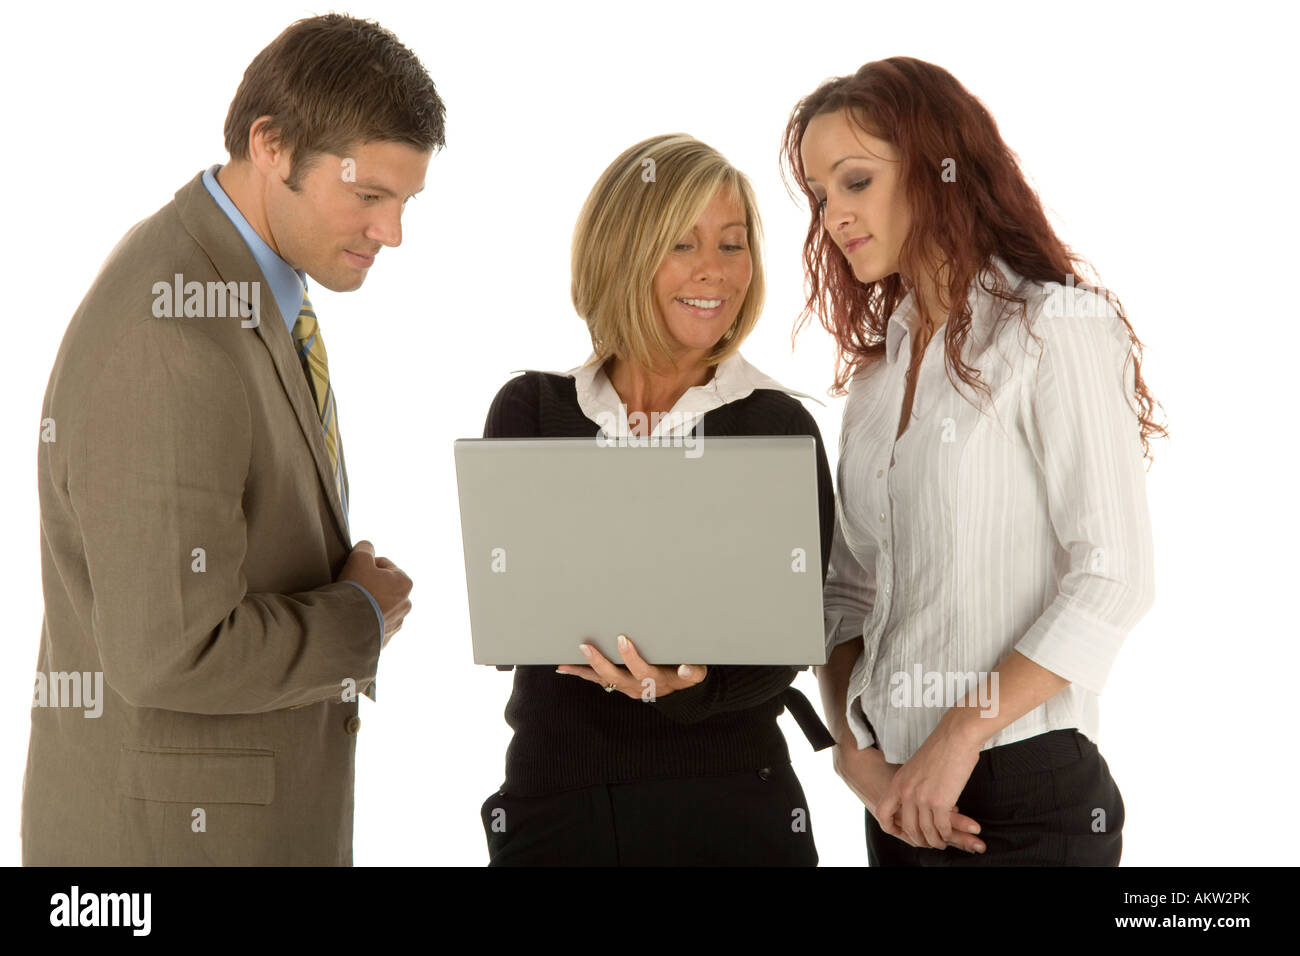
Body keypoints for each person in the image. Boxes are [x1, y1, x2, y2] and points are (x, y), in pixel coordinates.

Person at [23, 14, 439, 865]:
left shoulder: (231, 281)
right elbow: (171, 652)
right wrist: (358, 616)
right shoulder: (171, 338)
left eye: (406, 201)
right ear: (272, 145)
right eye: (369, 196)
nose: (392, 232)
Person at [781, 56, 1164, 865]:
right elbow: (847, 593)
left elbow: (1113, 577)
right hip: (899, 800)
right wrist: (855, 750)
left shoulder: (1054, 329)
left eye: (855, 181)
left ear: (939, 171)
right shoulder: (879, 378)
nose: (835, 216)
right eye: (820, 196)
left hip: (1025, 796)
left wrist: (960, 734)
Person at [478, 133, 836, 866]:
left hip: (730, 805)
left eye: (733, 245)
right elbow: (511, 614)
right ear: (622, 253)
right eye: (682, 243)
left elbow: (794, 638)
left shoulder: (774, 424)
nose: (715, 271)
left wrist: (691, 689)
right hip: (559, 807)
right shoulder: (531, 409)